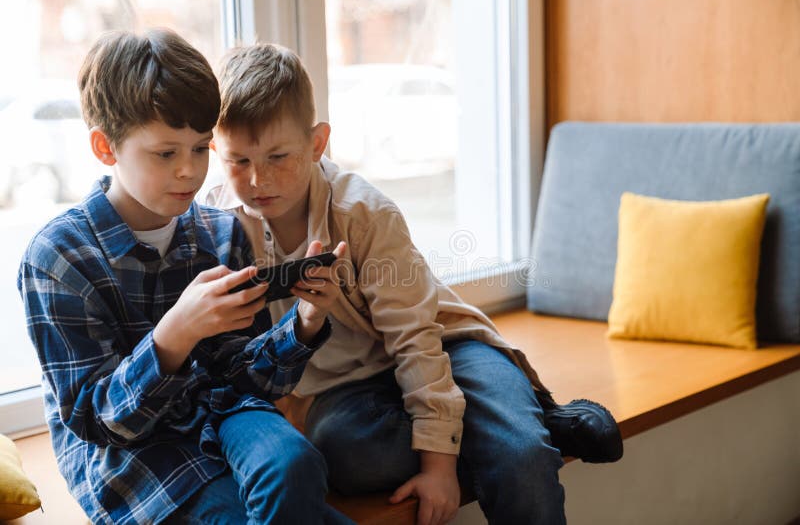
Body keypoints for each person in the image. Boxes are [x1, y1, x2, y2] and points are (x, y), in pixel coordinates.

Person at [207, 43, 623, 525]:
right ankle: (524, 421)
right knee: (345, 458)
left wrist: (439, 465)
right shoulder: (219, 228)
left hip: (445, 348)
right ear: (216, 151)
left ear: (317, 144)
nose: (259, 179)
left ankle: (522, 428)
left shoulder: (364, 214)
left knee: (523, 458)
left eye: (279, 156)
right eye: (238, 162)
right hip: (346, 391)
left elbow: (415, 340)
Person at [17, 30, 352, 525]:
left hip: (222, 410)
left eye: (200, 149)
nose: (189, 173)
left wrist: (304, 324)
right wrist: (175, 335)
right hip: (130, 453)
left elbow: (246, 379)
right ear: (105, 147)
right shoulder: (58, 258)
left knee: (296, 464)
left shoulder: (222, 233)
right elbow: (97, 420)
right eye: (165, 153)